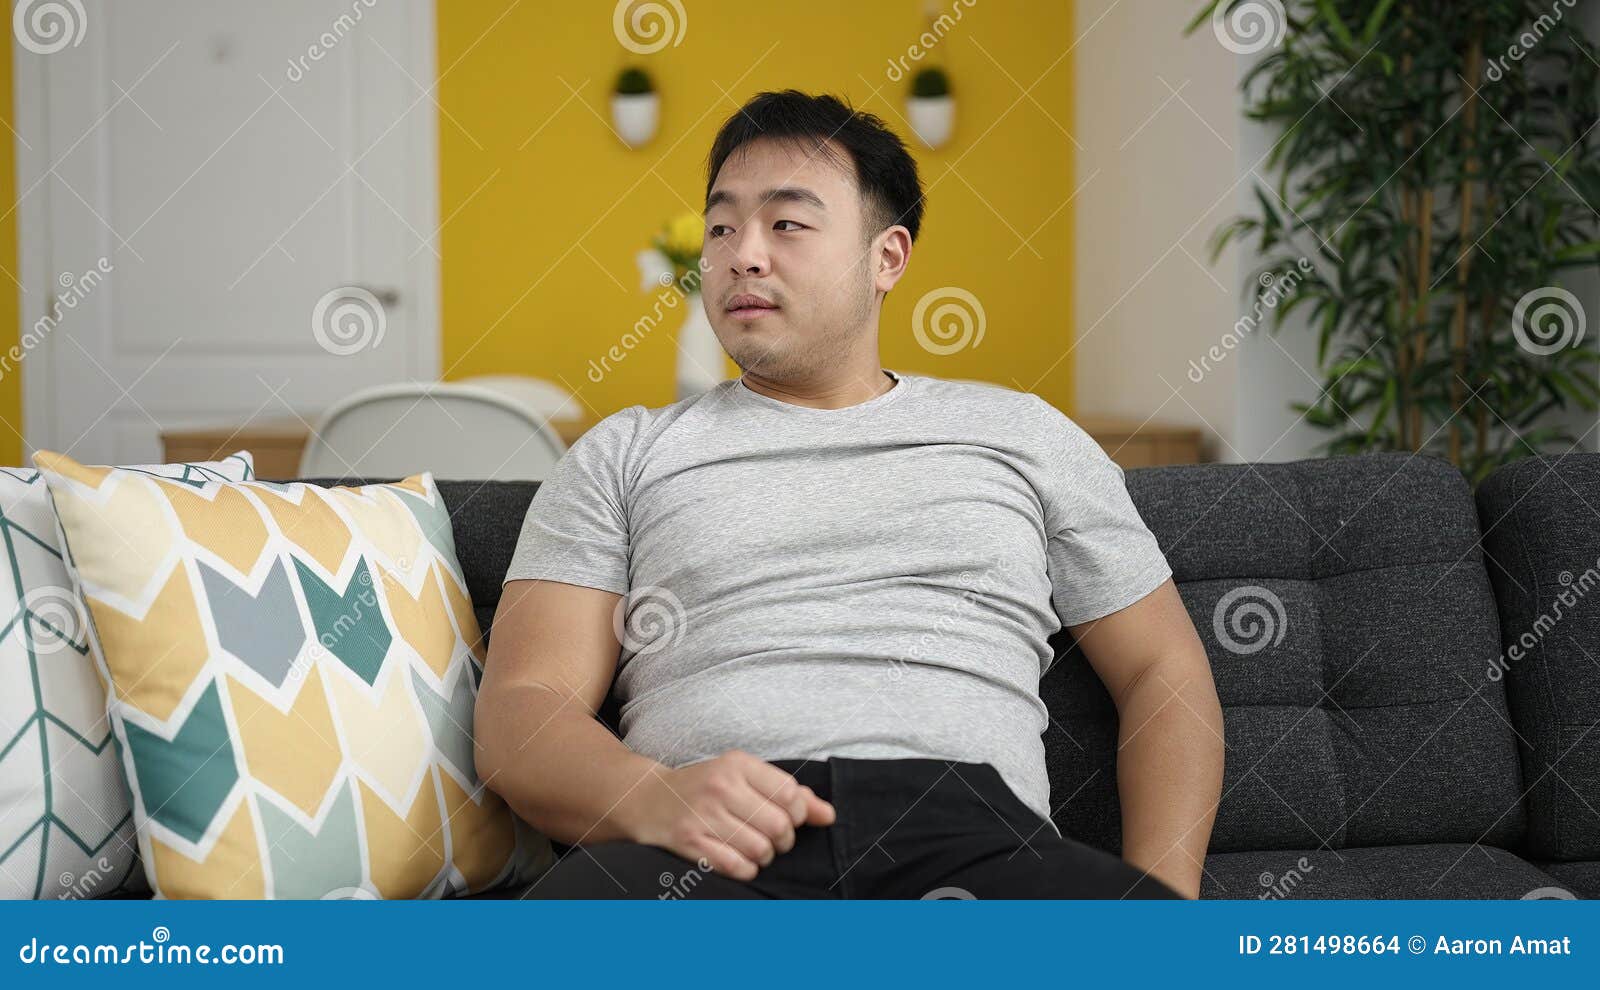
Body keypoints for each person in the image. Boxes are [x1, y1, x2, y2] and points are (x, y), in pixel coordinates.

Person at [472, 90, 1223, 900]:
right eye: (722, 227)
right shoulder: (624, 453)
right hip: (706, 849)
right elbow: (523, 710)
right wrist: (654, 799)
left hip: (974, 842)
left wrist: (1166, 903)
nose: (742, 255)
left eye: (786, 223)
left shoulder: (1024, 436)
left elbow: (1163, 670)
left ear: (887, 257)